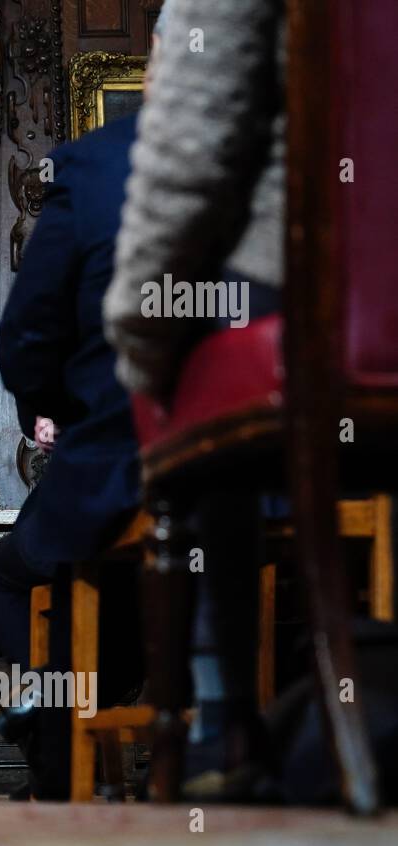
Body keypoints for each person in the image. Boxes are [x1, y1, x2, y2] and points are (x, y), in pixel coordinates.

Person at [102, 0, 285, 798]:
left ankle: (219, 732)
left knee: (189, 391)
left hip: (292, 293)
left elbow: (191, 150)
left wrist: (139, 330)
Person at [0, 47, 165, 799]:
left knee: (24, 574)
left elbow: (27, 336)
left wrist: (46, 406)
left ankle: (57, 753)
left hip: (132, 457)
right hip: (297, 468)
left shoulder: (98, 165)